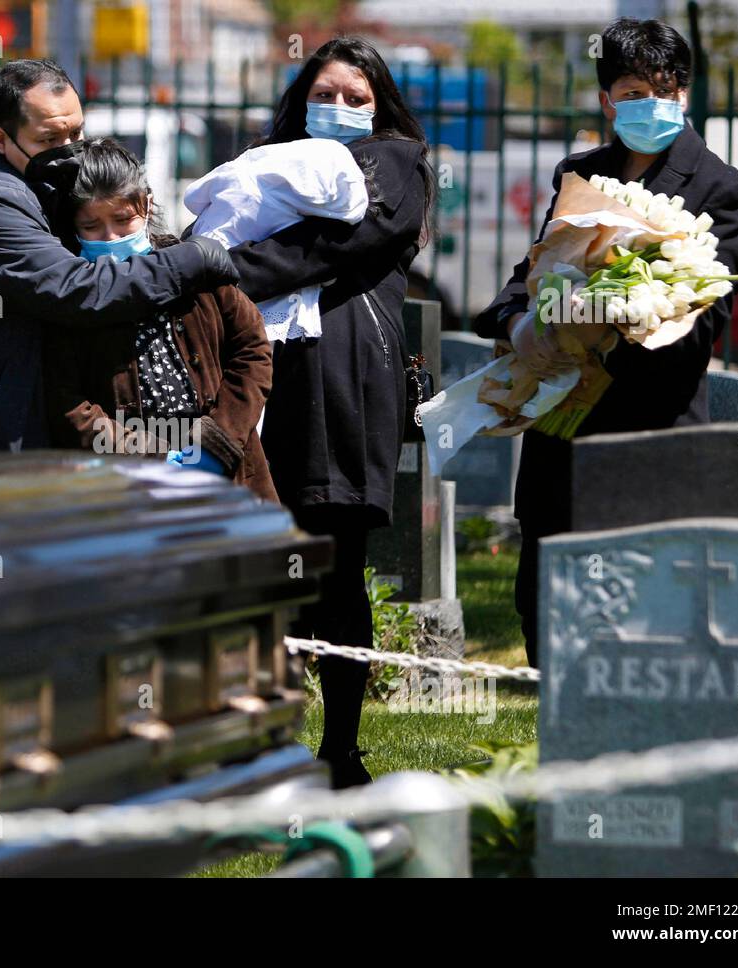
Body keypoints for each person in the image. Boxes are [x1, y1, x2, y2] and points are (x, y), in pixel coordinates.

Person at [474, 18, 738, 667]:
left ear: (682, 94)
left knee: (645, 622)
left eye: (661, 90)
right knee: (548, 611)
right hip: (563, 432)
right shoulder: (580, 175)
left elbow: (703, 319)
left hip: (650, 432)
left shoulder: (724, 189)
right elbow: (531, 273)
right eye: (631, 92)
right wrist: (520, 323)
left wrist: (613, 317)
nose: (646, 105)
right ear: (607, 100)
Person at [215, 37, 436, 787]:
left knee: (338, 569)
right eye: (324, 93)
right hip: (264, 380)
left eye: (355, 97)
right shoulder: (271, 163)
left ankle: (340, 749)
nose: (337, 108)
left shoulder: (397, 163)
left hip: (341, 386)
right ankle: (260, 743)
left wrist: (215, 264)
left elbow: (332, 245)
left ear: (380, 108)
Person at [0, 59, 239, 460]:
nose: (69, 151)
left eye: (77, 132)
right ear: (0, 139)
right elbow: (76, 288)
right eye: (50, 139)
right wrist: (191, 259)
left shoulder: (2, 159)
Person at [45, 139, 276, 500]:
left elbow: (253, 350)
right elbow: (67, 402)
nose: (111, 237)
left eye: (123, 220)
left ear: (146, 205)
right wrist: (150, 457)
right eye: (92, 226)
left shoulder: (194, 271)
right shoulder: (72, 295)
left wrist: (218, 440)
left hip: (225, 476)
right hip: (124, 488)